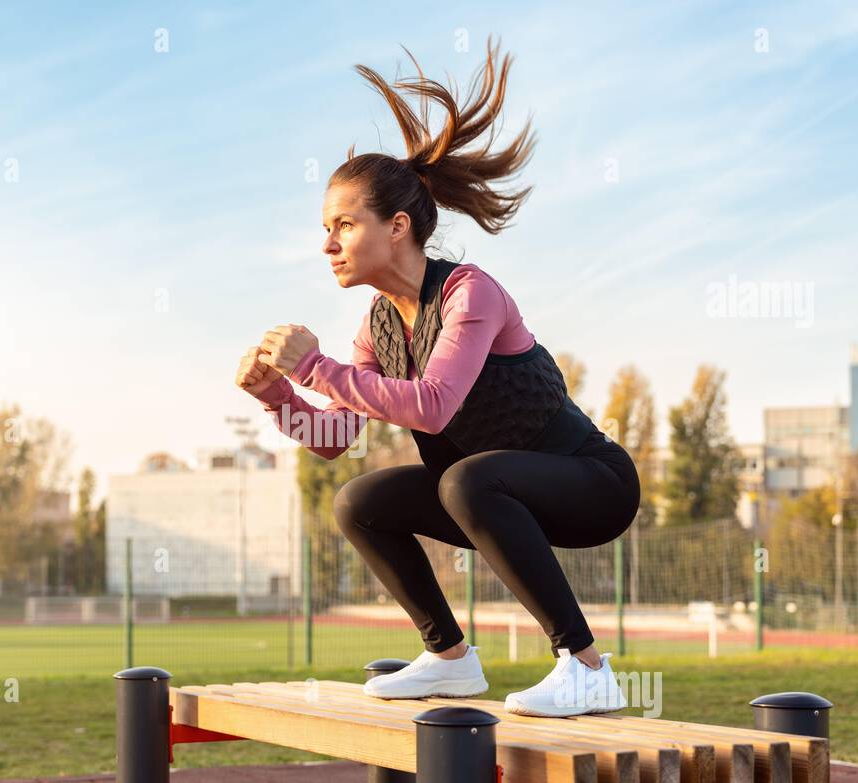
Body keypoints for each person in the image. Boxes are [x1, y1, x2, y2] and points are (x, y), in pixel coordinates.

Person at [233, 37, 639, 717]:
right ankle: (450, 657)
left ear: (397, 226)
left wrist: (312, 365)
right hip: (489, 496)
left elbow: (434, 404)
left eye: (343, 225)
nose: (327, 244)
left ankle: (587, 666)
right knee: (359, 499)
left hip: (592, 487)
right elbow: (336, 436)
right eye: (324, 229)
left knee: (466, 476)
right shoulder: (376, 327)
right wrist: (279, 395)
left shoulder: (469, 293)